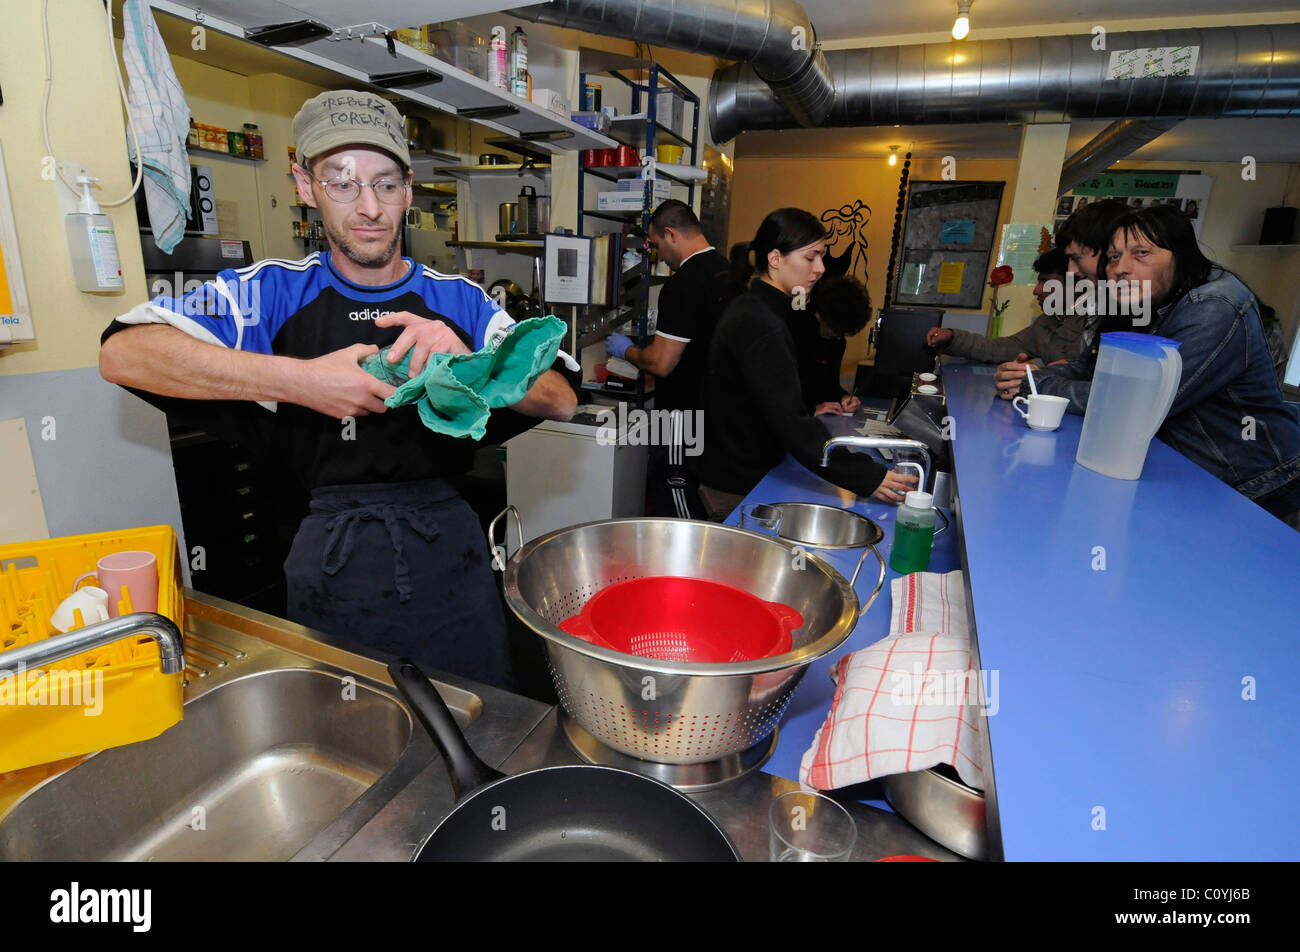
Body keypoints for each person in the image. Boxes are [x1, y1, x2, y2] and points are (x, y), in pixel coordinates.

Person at [99, 90, 577, 688]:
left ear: (408, 188)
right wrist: (303, 381)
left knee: (479, 718)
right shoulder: (269, 294)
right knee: (352, 739)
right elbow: (123, 354)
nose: (369, 208)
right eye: (341, 184)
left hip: (449, 560)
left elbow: (560, 396)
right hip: (330, 564)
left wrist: (475, 362)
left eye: (384, 184)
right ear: (305, 185)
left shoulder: (460, 300)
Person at [1018, 204, 1300, 523]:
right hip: (1194, 477)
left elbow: (1139, 404)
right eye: (1113, 257)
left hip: (1261, 486)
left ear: (1179, 253)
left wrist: (1041, 384)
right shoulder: (1142, 299)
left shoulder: (1214, 306)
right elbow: (1088, 367)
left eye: (1141, 253)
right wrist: (1035, 378)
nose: (1120, 268)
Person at [694, 208, 918, 519]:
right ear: (775, 259)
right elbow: (792, 422)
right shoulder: (760, 322)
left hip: (744, 470)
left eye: (821, 257)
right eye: (810, 257)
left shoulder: (760, 309)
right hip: (737, 482)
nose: (821, 268)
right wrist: (867, 476)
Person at [605, 200, 741, 518]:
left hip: (683, 420)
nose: (658, 255)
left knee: (678, 510)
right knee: (701, 505)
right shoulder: (729, 273)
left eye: (655, 245)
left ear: (670, 234)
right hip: (718, 418)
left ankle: (679, 566)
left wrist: (627, 350)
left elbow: (661, 362)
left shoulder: (683, 284)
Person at [994, 199, 1130, 398]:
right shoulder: (1103, 308)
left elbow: (1118, 396)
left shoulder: (1157, 312)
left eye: (1076, 259)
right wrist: (1028, 378)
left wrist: (1034, 383)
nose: (1073, 271)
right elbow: (1085, 370)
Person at [925, 249, 1086, 367]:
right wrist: (952, 337)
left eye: (1045, 282)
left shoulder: (1095, 325)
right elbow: (997, 348)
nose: (1036, 290)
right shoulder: (1046, 323)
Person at [801, 275, 871, 416]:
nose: (838, 336)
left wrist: (843, 398)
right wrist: (813, 409)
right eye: (835, 329)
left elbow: (829, 385)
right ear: (820, 315)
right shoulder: (793, 330)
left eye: (843, 332)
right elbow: (778, 391)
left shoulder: (837, 341)